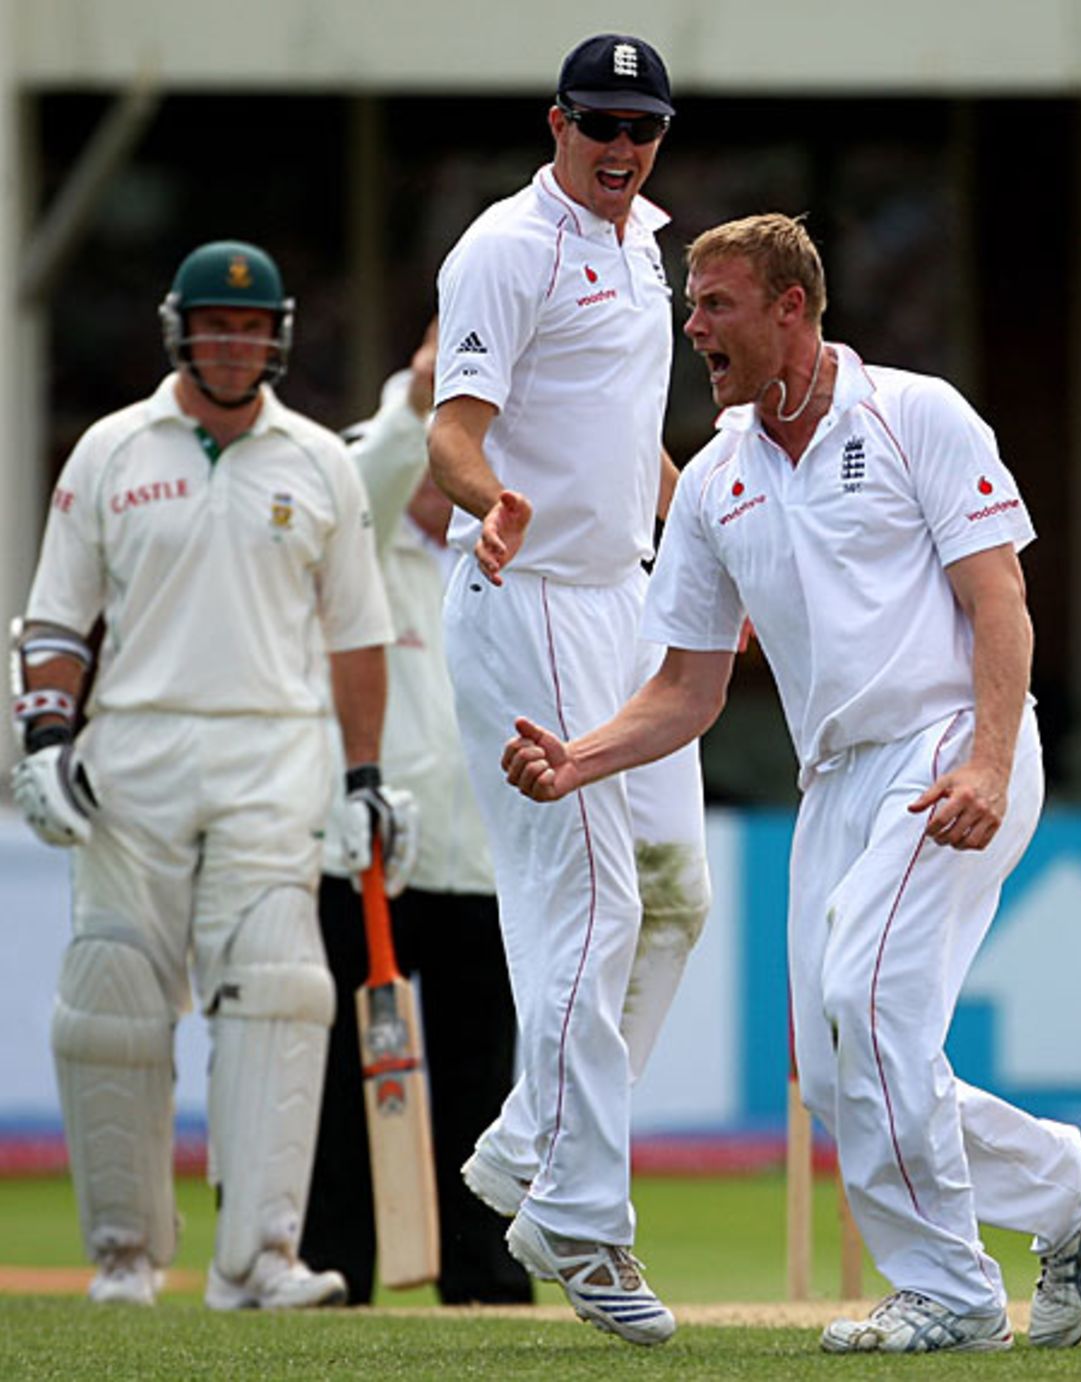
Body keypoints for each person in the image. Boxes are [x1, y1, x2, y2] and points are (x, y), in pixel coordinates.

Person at [501, 213, 1081, 1354]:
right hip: (836, 781)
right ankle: (1072, 1195)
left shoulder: (917, 414)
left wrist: (990, 758)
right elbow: (690, 691)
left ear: (791, 307)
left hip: (950, 742)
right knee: (836, 1074)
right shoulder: (710, 481)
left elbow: (1001, 601)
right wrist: (579, 755)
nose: (692, 325)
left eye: (716, 304)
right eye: (689, 304)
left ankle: (949, 1287)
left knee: (869, 1004)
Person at [9, 239, 412, 1311]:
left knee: (280, 995)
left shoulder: (320, 459)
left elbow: (358, 635)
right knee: (112, 1005)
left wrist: (364, 773)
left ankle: (258, 1261)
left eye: (250, 324)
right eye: (215, 324)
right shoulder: (109, 450)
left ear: (275, 333)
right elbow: (56, 616)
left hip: (274, 755)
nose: (233, 340)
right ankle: (125, 1259)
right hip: (131, 757)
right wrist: (46, 738)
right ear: (179, 329)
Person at [426, 33, 710, 1346]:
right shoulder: (506, 247)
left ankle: (520, 1153)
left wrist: (720, 549)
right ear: (557, 121)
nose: (621, 144)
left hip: (629, 596)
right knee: (586, 906)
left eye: (641, 124)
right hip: (527, 594)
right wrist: (494, 507)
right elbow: (455, 429)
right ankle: (579, 1218)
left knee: (670, 894)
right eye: (599, 120)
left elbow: (624, 436)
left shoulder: (645, 236)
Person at [300, 324, 533, 1307]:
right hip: (366, 859)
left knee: (482, 1083)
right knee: (348, 1081)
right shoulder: (352, 525)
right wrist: (427, 385)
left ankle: (484, 1272)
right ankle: (333, 1265)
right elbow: (372, 477)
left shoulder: (499, 549)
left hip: (483, 859)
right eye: (438, 449)